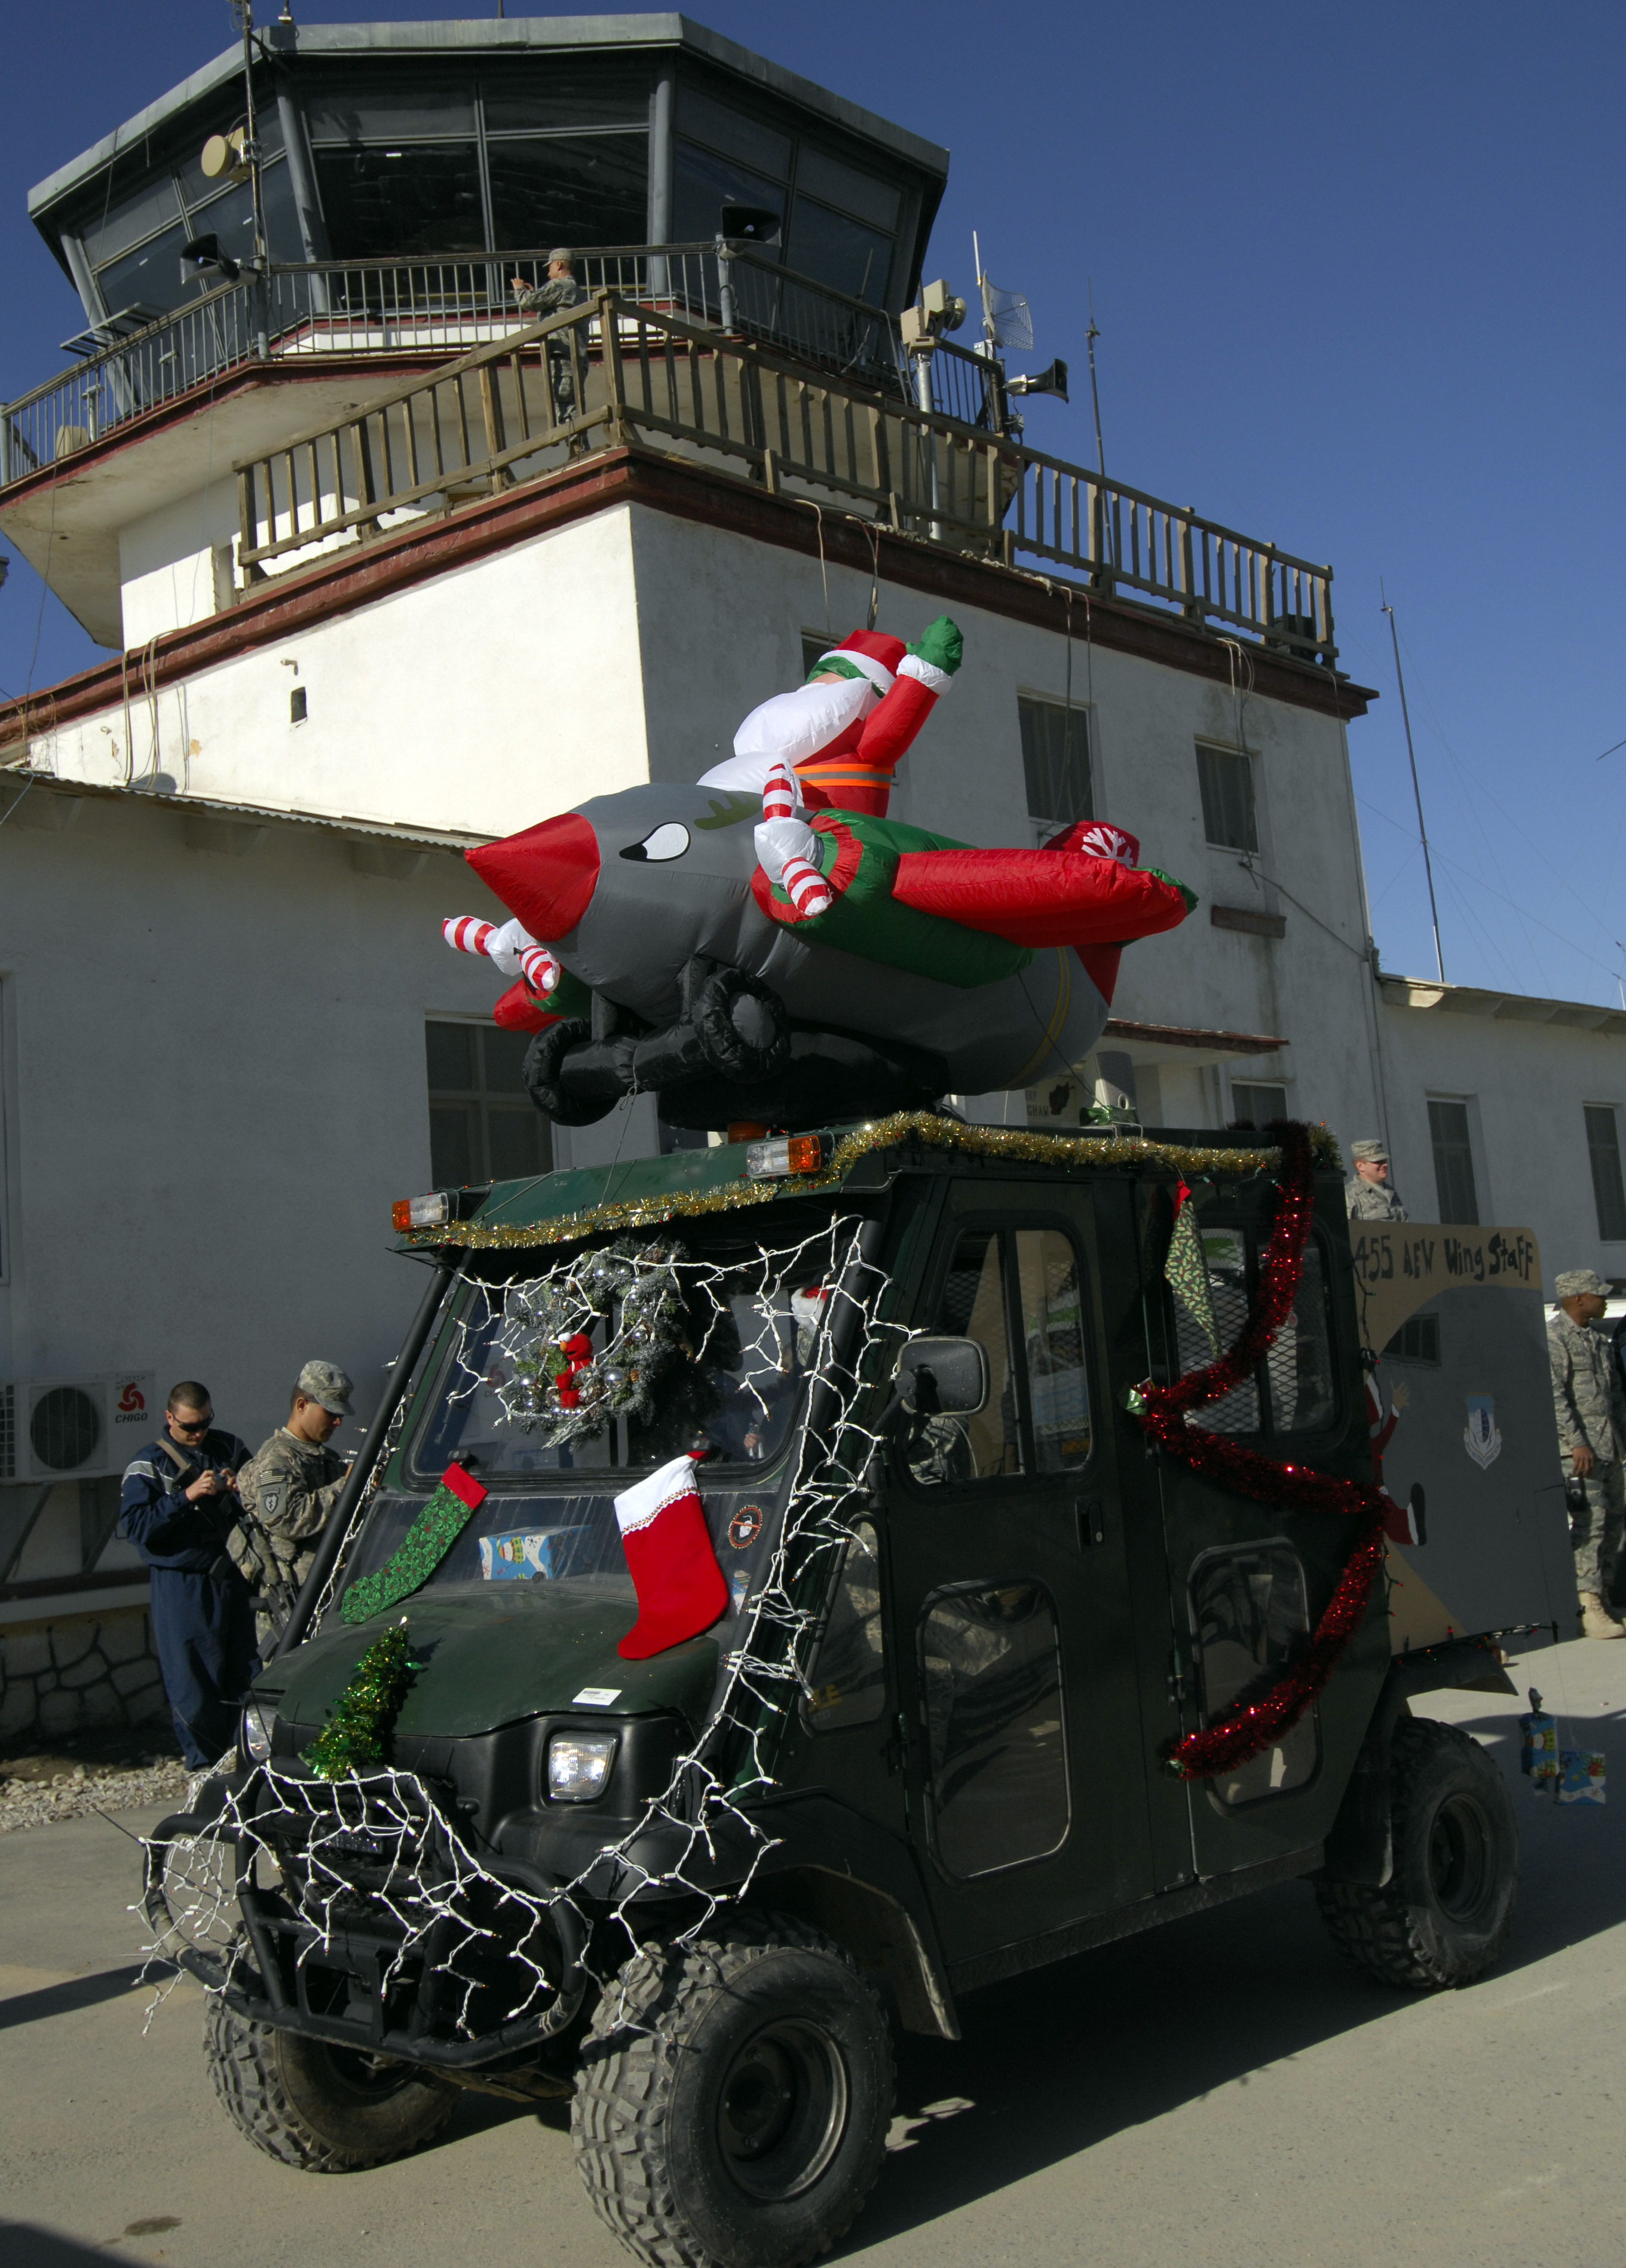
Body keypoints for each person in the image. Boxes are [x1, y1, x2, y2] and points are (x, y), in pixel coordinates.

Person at [118, 1381, 256, 1769]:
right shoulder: (147, 1464)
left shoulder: (227, 1447)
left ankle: (245, 1763)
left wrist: (238, 1487)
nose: (197, 1434)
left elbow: (260, 1495)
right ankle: (203, 1769)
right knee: (193, 1686)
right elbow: (137, 1528)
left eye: (204, 1424)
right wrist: (186, 1497)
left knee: (246, 1673)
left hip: (232, 1577)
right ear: (169, 1418)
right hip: (181, 1585)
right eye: (188, 1427)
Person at [231, 1361, 356, 1653]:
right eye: (331, 1413)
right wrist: (345, 1488)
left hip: (328, 1596)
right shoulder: (277, 1459)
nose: (338, 1422)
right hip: (297, 1606)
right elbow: (286, 1520)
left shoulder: (324, 1458)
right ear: (302, 1405)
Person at [1547, 1268, 1626, 1639]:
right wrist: (1576, 1441)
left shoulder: (1597, 1341)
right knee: (1590, 1524)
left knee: (1614, 1523)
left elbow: (1614, 1398)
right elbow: (1556, 1397)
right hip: (1579, 1453)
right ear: (1578, 1298)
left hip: (1609, 1449)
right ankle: (1586, 1603)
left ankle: (1605, 1598)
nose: (1604, 1298)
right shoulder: (1556, 1338)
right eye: (1597, 1294)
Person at [509, 247, 589, 431]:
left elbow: (530, 303)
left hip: (563, 352)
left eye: (550, 267)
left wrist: (520, 290)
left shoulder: (560, 286)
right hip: (576, 354)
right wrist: (537, 293)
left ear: (559, 264)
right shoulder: (578, 292)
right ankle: (577, 444)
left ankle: (577, 448)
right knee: (573, 400)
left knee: (564, 403)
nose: (548, 272)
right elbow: (548, 303)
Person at [1345, 1138, 1407, 1221]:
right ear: (1360, 1166)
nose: (1385, 1165)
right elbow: (1345, 1230)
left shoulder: (1390, 1192)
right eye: (1378, 1162)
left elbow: (1405, 1226)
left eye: (1385, 1161)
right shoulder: (1350, 1195)